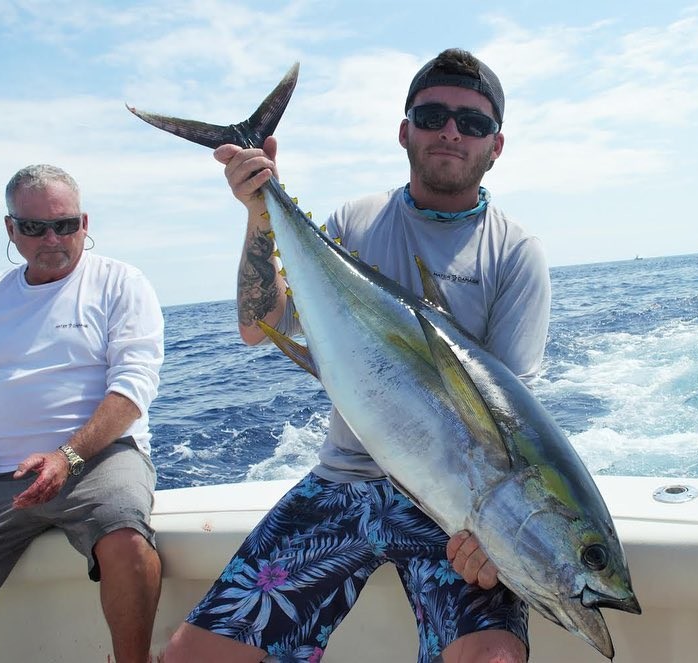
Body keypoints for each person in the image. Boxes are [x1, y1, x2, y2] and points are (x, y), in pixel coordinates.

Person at [164, 48, 551, 663]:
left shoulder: (514, 254)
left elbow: (504, 429)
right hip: (344, 478)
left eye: (472, 123)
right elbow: (259, 325)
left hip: (450, 504)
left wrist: (493, 537)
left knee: (492, 660)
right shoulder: (356, 221)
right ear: (405, 132)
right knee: (192, 657)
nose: (451, 131)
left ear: (495, 146)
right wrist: (260, 213)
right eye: (433, 115)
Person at [0, 164, 165, 663]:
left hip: (102, 459)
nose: (52, 238)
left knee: (124, 536)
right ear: (11, 229)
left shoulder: (121, 283)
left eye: (65, 224)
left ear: (85, 223)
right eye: (34, 227)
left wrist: (66, 456)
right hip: (5, 475)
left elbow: (133, 389)